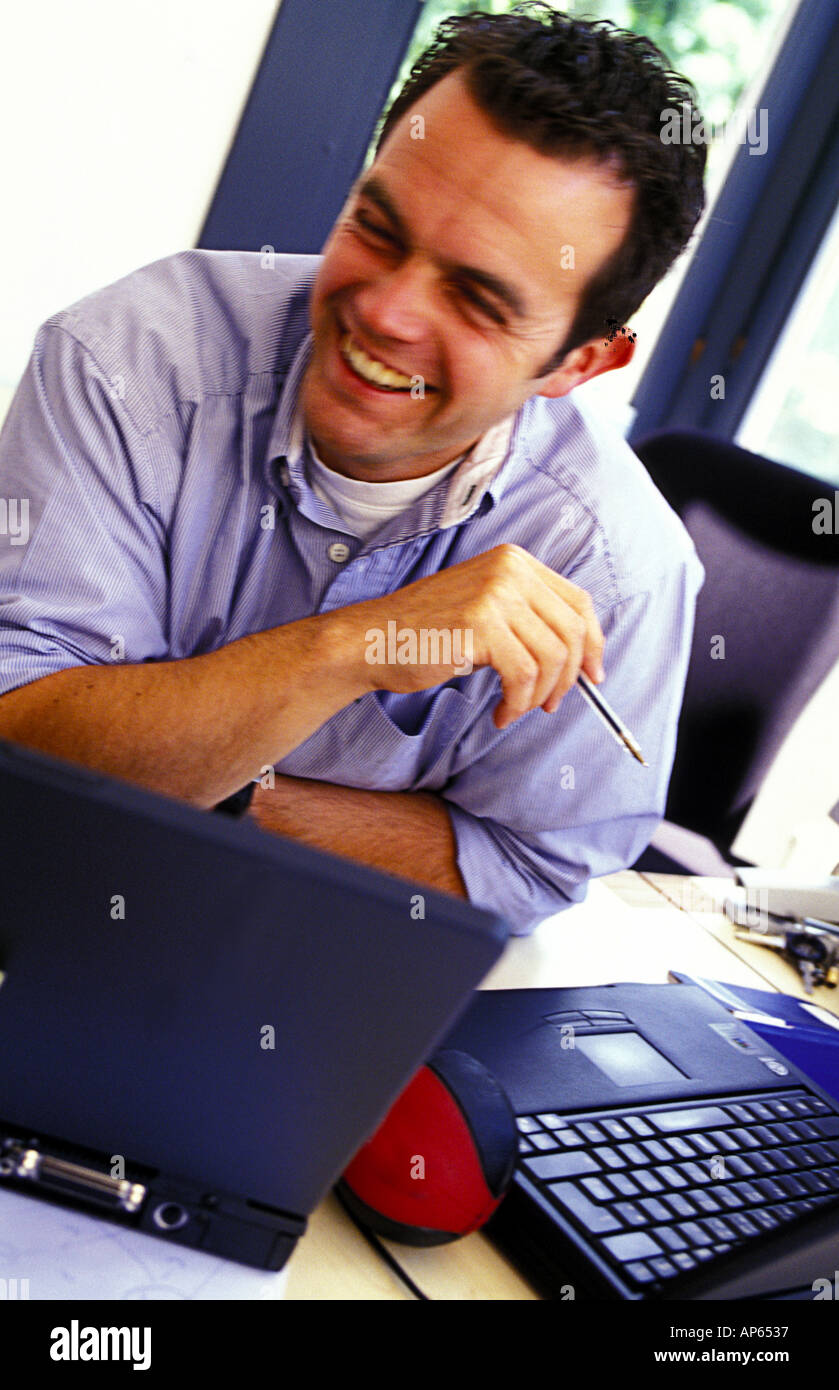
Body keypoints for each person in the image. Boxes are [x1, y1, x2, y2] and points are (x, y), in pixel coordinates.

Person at [0, 5, 706, 933]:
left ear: (580, 362)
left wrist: (224, 784)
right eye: (377, 228)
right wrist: (356, 649)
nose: (387, 313)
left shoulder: (619, 567)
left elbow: (532, 864)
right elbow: (20, 746)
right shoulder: (133, 360)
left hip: (321, 963)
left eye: (475, 296)